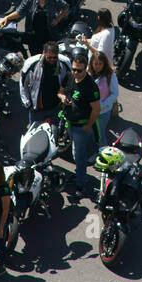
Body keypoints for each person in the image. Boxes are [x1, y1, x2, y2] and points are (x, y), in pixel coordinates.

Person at [61, 49, 101, 194]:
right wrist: (62, 98)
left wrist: (88, 126)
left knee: (79, 155)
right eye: (73, 69)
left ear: (86, 69)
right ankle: (80, 174)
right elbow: (61, 90)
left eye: (79, 70)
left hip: (80, 127)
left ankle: (81, 183)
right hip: (69, 123)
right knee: (75, 153)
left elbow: (96, 109)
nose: (75, 73)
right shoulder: (70, 77)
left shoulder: (91, 86)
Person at [0, 0, 70, 56]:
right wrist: (7, 17)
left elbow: (66, 7)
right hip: (33, 33)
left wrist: (57, 20)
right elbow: (19, 13)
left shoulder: (54, 0)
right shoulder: (29, 0)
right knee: (34, 53)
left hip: (49, 33)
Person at [91, 49, 120, 147]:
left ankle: (102, 154)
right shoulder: (88, 74)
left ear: (104, 64)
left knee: (100, 135)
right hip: (89, 111)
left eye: (100, 64)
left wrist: (101, 105)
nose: (97, 66)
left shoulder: (110, 76)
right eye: (95, 64)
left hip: (102, 112)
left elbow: (114, 94)